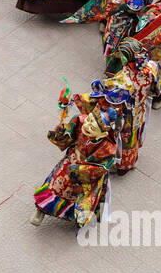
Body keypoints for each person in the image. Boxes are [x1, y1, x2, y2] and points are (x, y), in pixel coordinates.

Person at [31, 80, 120, 231]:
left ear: (104, 133)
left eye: (93, 126)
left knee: (81, 199)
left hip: (87, 173)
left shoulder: (108, 147)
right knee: (55, 185)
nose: (87, 125)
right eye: (90, 120)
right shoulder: (80, 121)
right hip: (70, 161)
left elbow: (101, 168)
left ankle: (74, 216)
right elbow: (68, 135)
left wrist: (81, 171)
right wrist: (61, 131)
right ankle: (41, 209)